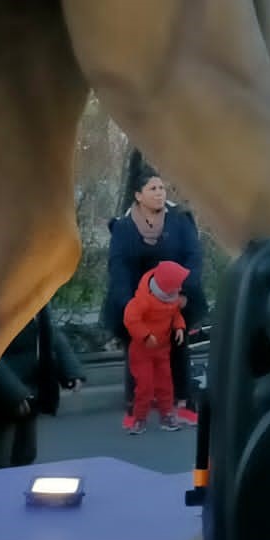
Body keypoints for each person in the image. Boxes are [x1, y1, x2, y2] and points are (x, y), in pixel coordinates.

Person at [101, 174, 206, 426]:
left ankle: (181, 402)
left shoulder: (180, 220)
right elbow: (119, 268)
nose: (160, 193)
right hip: (139, 301)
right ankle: (139, 406)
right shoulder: (123, 227)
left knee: (176, 347)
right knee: (140, 350)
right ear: (138, 195)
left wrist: (183, 293)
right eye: (153, 188)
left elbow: (193, 258)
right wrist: (129, 305)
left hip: (176, 297)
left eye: (161, 188)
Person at [0, 304, 84, 469]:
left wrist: (71, 370)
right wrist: (15, 393)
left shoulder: (34, 297)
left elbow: (49, 334)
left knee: (26, 455)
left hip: (29, 391)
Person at [122, 259, 190, 434]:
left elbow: (175, 314)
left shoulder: (172, 299)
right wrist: (145, 335)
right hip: (141, 351)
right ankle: (140, 417)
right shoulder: (142, 300)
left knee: (165, 383)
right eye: (176, 286)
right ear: (166, 288)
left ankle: (166, 414)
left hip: (162, 349)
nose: (180, 289)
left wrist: (179, 327)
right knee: (145, 385)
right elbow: (131, 319)